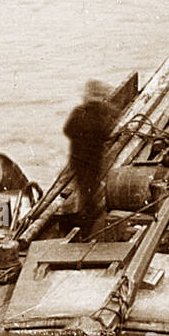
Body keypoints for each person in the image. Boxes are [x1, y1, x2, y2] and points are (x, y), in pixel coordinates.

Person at [64, 81, 115, 235]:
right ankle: (87, 223)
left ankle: (84, 217)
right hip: (93, 158)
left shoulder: (78, 112)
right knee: (90, 189)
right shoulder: (101, 114)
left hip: (77, 157)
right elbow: (105, 134)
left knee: (83, 187)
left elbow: (67, 129)